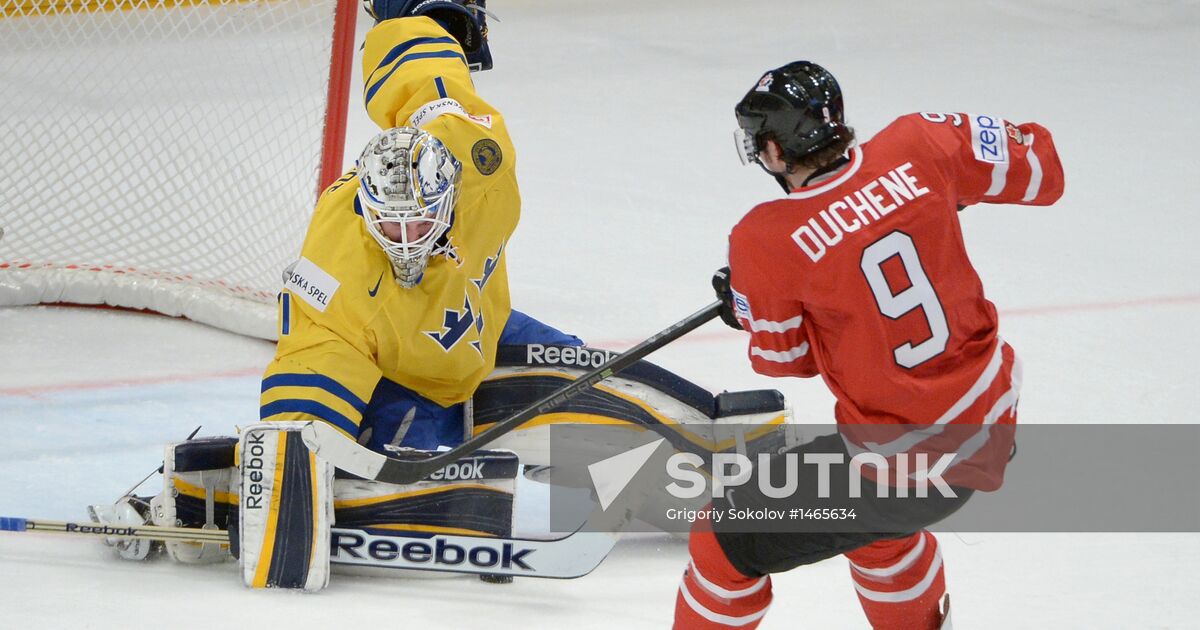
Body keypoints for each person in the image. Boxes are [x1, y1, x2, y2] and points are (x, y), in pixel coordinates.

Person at [673, 62, 1064, 629]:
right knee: (877, 532)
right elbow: (1043, 168)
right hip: (988, 422)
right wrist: (941, 185)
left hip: (901, 461)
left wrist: (747, 303)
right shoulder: (921, 140)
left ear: (775, 150)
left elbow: (787, 359)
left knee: (718, 542)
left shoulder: (766, 237)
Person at [259, 0, 580, 454]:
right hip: (397, 383)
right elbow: (311, 364)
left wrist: (418, 20)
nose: (408, 242)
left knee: (589, 381)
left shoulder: (481, 162)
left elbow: (427, 82)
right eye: (392, 228)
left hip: (480, 335)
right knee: (406, 455)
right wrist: (295, 460)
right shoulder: (338, 264)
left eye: (421, 221)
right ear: (370, 213)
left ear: (450, 196)